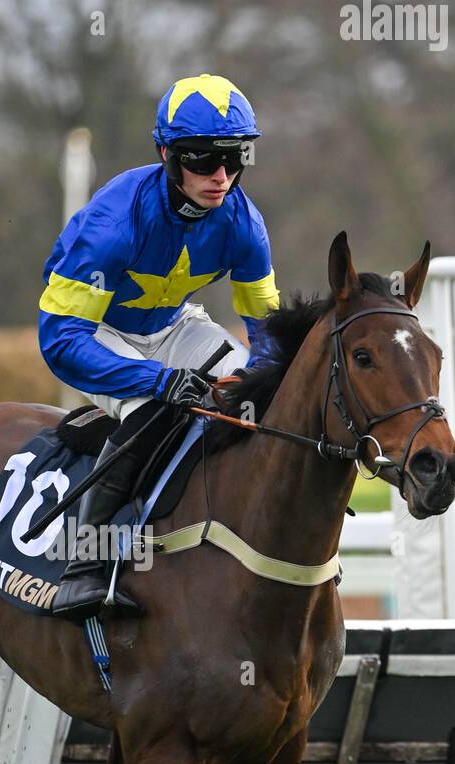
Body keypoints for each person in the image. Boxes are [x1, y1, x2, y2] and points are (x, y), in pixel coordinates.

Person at [38, 73, 280, 621]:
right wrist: (156, 380)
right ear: (166, 155)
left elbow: (267, 338)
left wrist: (257, 383)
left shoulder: (245, 223)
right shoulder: (114, 222)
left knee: (259, 397)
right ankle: (83, 565)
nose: (221, 177)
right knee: (154, 410)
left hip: (173, 325)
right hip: (91, 332)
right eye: (202, 161)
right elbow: (60, 339)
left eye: (235, 157)